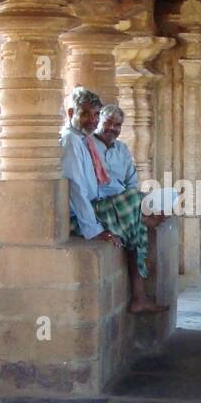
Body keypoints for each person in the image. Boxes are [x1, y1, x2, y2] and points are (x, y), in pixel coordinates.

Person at [60, 88, 166, 314]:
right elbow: (76, 189)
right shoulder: (71, 141)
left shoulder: (83, 140)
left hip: (97, 205)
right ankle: (139, 296)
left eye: (96, 114)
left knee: (139, 207)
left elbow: (102, 183)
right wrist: (95, 230)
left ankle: (139, 297)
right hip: (81, 216)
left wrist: (130, 198)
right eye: (87, 114)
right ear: (71, 112)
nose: (92, 120)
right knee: (138, 214)